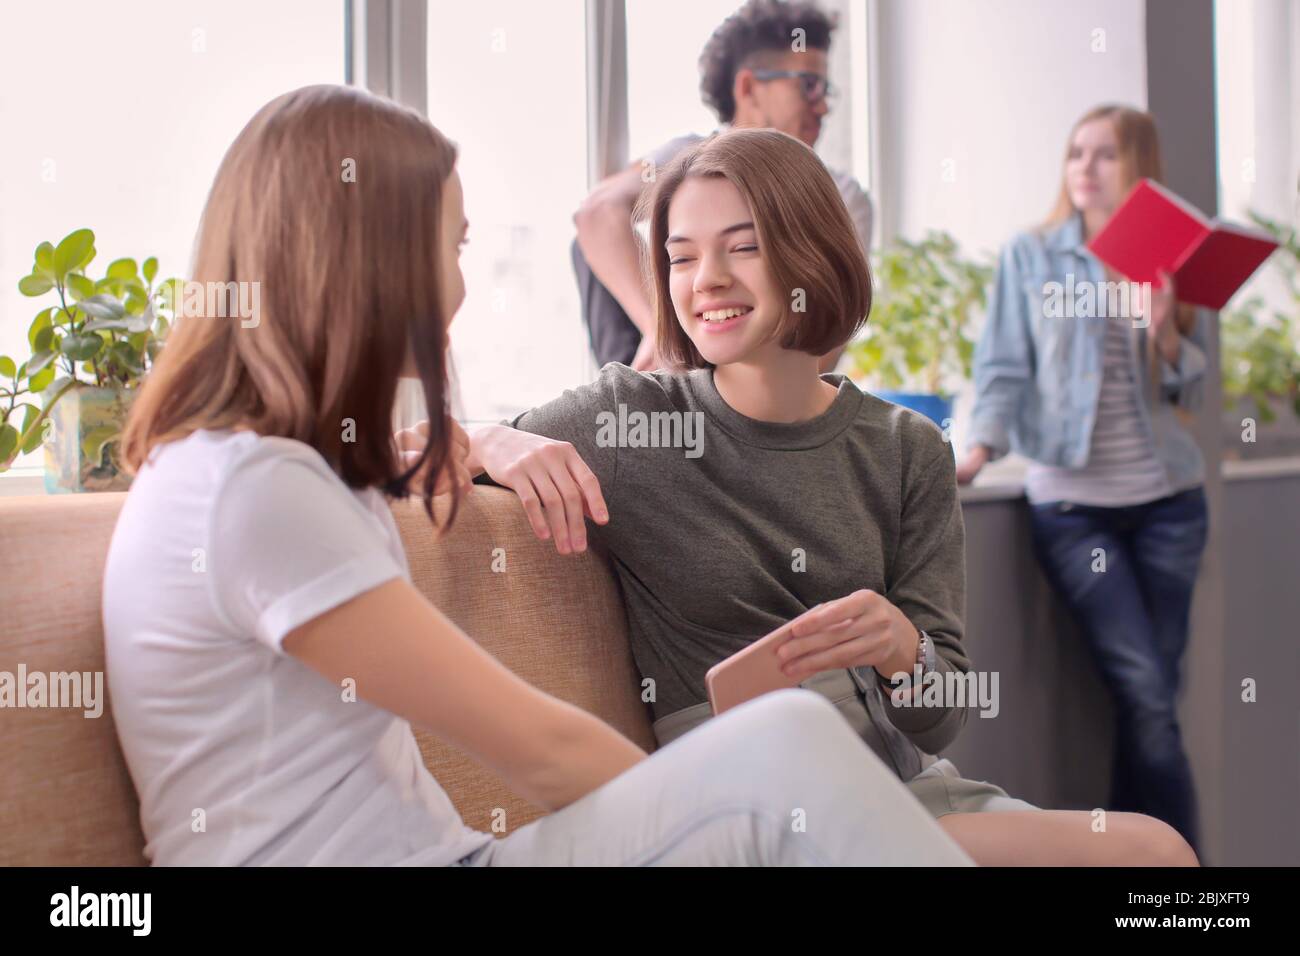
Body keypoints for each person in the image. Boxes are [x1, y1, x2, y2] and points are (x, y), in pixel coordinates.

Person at [101, 84, 977, 867]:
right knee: (780, 757)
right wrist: (708, 816)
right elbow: (542, 750)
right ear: (367, 260)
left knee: (787, 741)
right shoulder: (253, 490)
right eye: (451, 247)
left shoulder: (271, 471)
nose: (457, 288)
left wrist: (477, 439)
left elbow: (407, 450)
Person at [448, 127, 1198, 866]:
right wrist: (493, 439)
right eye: (681, 258)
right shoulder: (629, 420)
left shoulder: (906, 448)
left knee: (1158, 857)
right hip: (749, 810)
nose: (704, 278)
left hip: (904, 790)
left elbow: (942, 717)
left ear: (811, 252)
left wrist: (903, 651)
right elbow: (395, 450)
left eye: (741, 247)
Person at [956, 105, 1209, 855]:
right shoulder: (1031, 256)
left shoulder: (1168, 259)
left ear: (1140, 166)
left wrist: (1164, 328)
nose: (1085, 168)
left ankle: (1130, 864)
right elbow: (1002, 369)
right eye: (1076, 152)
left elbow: (1194, 394)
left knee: (1152, 704)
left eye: (1105, 154)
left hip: (1170, 506)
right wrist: (977, 450)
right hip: (1074, 510)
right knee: (1148, 701)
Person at [573, 0, 871, 373]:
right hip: (676, 359)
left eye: (746, 246)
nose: (823, 106)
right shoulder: (684, 158)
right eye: (809, 86)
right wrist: (661, 332)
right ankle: (649, 392)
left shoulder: (841, 195)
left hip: (767, 375)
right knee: (591, 247)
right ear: (748, 87)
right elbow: (597, 212)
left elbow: (823, 351)